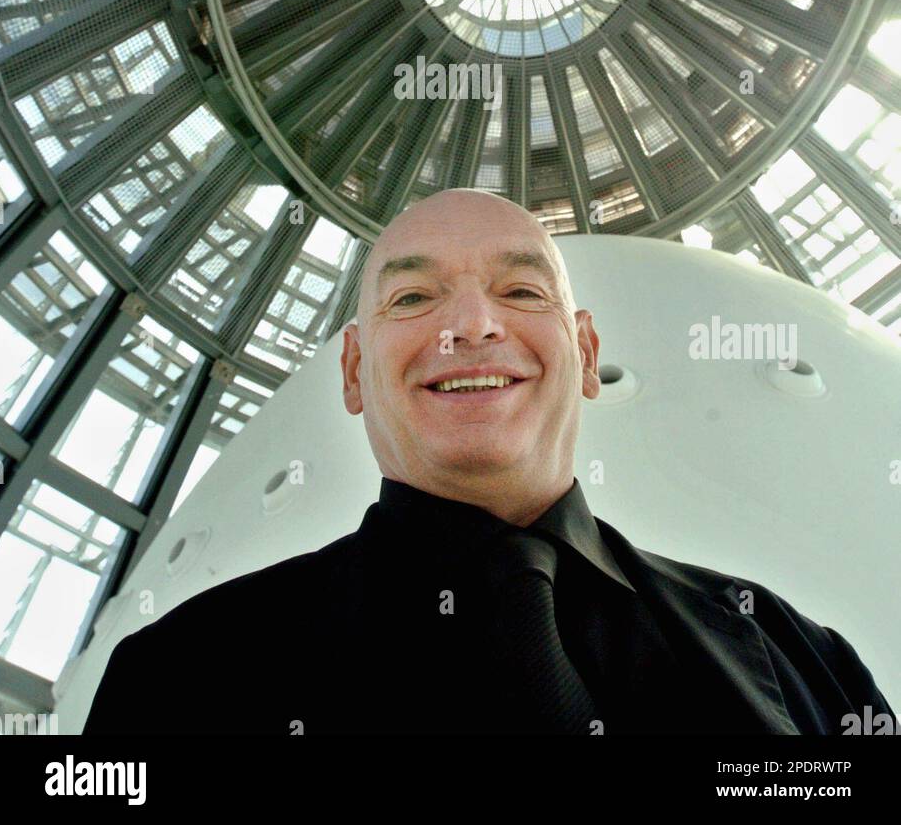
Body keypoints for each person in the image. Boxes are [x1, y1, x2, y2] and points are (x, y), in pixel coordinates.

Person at [82, 188, 896, 735]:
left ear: (584, 352)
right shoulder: (177, 676)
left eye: (522, 292)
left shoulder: (799, 656)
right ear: (353, 373)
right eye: (411, 299)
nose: (470, 325)